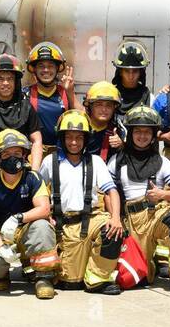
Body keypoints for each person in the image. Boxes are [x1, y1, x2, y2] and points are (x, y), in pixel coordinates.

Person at [107, 106, 170, 295]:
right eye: (137, 131)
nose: (142, 136)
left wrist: (162, 195)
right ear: (129, 133)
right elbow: (109, 193)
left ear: (154, 135)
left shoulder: (162, 162)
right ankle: (152, 264)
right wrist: (115, 219)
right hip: (129, 220)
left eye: (147, 132)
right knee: (138, 278)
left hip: (156, 213)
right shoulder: (116, 162)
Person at [39, 110, 124, 295]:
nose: (74, 142)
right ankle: (78, 273)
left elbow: (112, 191)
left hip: (92, 218)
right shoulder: (49, 162)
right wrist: (45, 216)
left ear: (86, 139)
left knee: (113, 232)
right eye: (69, 137)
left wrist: (116, 217)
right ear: (61, 138)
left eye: (79, 137)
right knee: (71, 284)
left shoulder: (95, 162)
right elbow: (36, 193)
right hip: (65, 226)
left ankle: (98, 280)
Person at [0, 129, 58, 298]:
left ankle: (43, 277)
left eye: (17, 152)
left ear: (25, 155)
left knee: (42, 226)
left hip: (24, 232)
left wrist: (19, 218)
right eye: (7, 153)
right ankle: (1, 275)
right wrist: (1, 247)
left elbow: (44, 208)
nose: (12, 158)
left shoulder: (33, 178)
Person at [0, 54, 44, 173]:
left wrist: (35, 172)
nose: (5, 83)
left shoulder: (26, 107)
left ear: (16, 81)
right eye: (0, 78)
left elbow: (37, 140)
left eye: (10, 78)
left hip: (21, 168)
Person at [26, 41, 76, 151]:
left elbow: (83, 118)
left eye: (50, 66)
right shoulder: (25, 95)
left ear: (58, 69)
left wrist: (70, 92)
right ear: (34, 69)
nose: (46, 70)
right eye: (41, 66)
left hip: (62, 154)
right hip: (33, 154)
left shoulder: (65, 93)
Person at [82, 81, 124, 160]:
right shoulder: (80, 127)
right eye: (99, 104)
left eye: (109, 105)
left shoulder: (118, 131)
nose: (104, 109)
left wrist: (121, 146)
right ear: (90, 106)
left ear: (114, 108)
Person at [111, 40, 153, 113]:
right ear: (120, 72)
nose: (131, 76)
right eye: (127, 71)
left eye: (135, 71)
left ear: (141, 73)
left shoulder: (148, 95)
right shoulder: (112, 93)